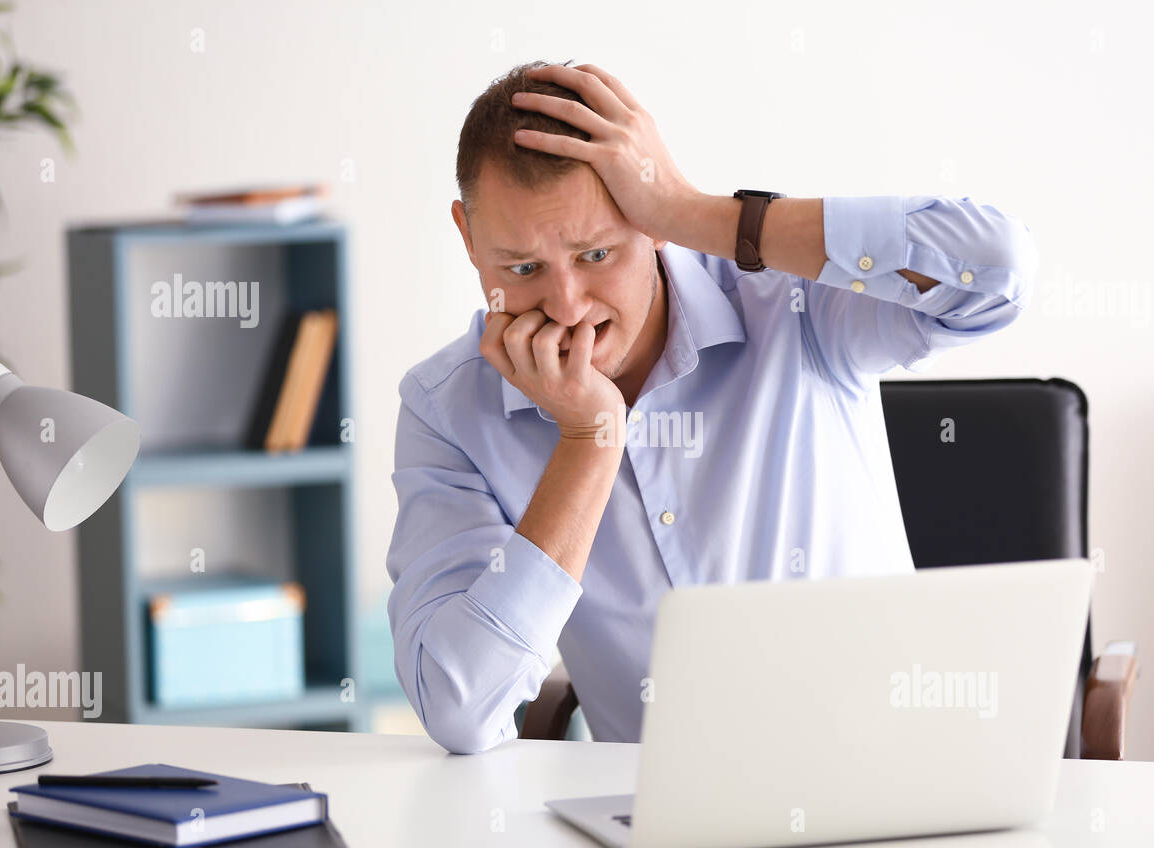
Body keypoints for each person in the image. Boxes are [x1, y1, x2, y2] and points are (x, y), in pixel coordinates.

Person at [385, 59, 1039, 754]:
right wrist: (588, 440)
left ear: (649, 220)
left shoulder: (792, 301)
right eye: (522, 269)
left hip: (898, 783)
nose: (567, 305)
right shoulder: (446, 410)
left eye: (598, 253)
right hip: (659, 836)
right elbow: (458, 707)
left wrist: (693, 211)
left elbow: (997, 273)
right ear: (467, 238)